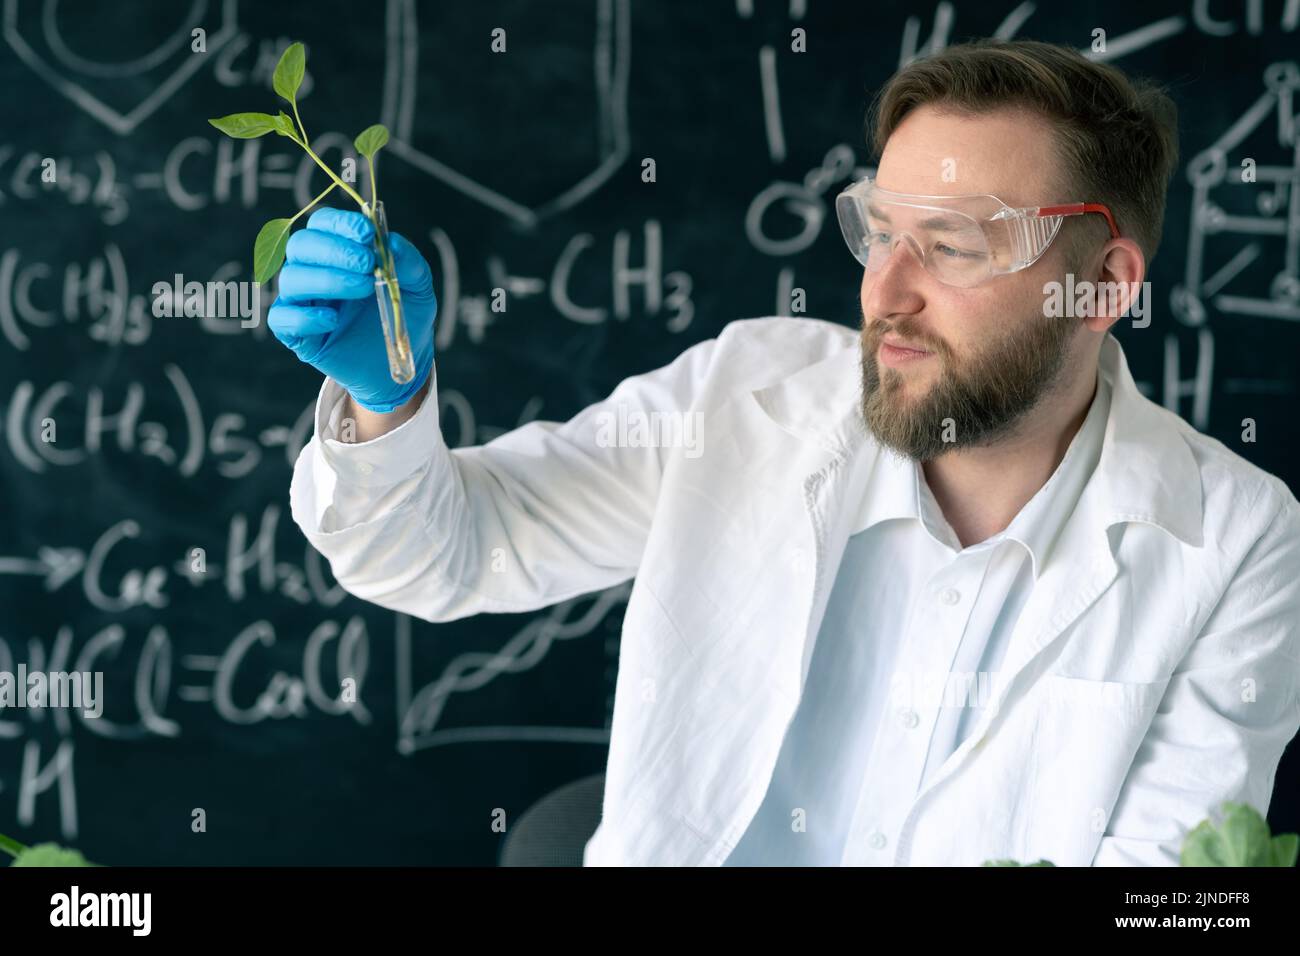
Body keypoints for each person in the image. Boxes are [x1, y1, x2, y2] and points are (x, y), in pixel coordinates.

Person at [272, 38, 1300, 866]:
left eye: (949, 245)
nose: (885, 293)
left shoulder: (1241, 538)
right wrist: (387, 396)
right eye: (879, 232)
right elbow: (440, 554)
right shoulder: (743, 398)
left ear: (1106, 284)